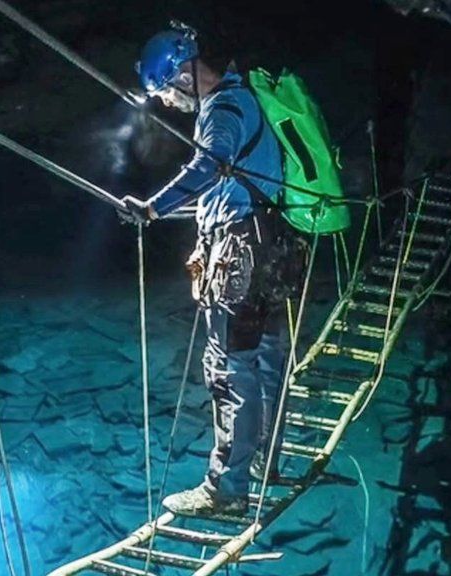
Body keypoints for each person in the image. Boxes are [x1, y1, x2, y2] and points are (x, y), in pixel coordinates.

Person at [119, 25, 303, 516]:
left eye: (164, 92)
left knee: (228, 370)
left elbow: (207, 165)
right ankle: (267, 461)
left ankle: (227, 489)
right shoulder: (245, 98)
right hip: (271, 251)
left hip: (240, 259)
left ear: (181, 74)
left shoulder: (221, 109)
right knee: (265, 360)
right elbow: (230, 177)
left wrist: (154, 208)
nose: (168, 104)